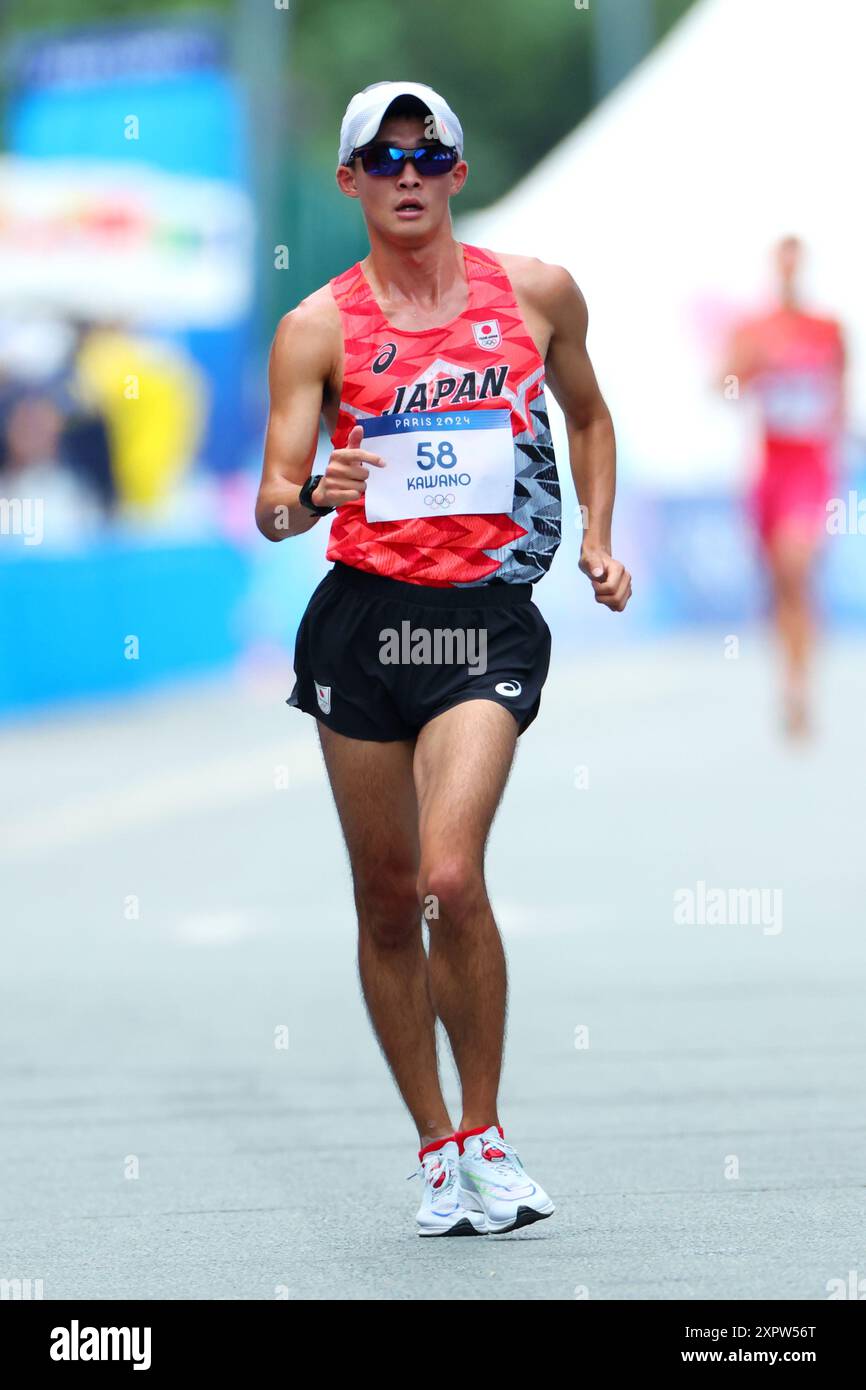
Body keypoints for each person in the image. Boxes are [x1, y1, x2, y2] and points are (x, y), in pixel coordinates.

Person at [256, 81, 631, 1236]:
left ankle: (487, 1134)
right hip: (363, 625)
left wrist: (597, 538)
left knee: (446, 877)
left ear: (457, 173)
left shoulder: (537, 294)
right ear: (349, 181)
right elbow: (272, 499)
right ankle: (433, 1151)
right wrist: (311, 492)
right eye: (381, 158)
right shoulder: (316, 326)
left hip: (482, 619)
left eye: (427, 156)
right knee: (381, 901)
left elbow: (590, 417)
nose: (405, 174)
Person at [724, 237, 846, 737]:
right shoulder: (755, 330)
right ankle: (788, 676)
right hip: (769, 468)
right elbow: (722, 386)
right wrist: (748, 366)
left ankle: (801, 685)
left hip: (810, 467)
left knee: (798, 569)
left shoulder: (829, 330)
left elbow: (839, 395)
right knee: (779, 583)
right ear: (776, 269)